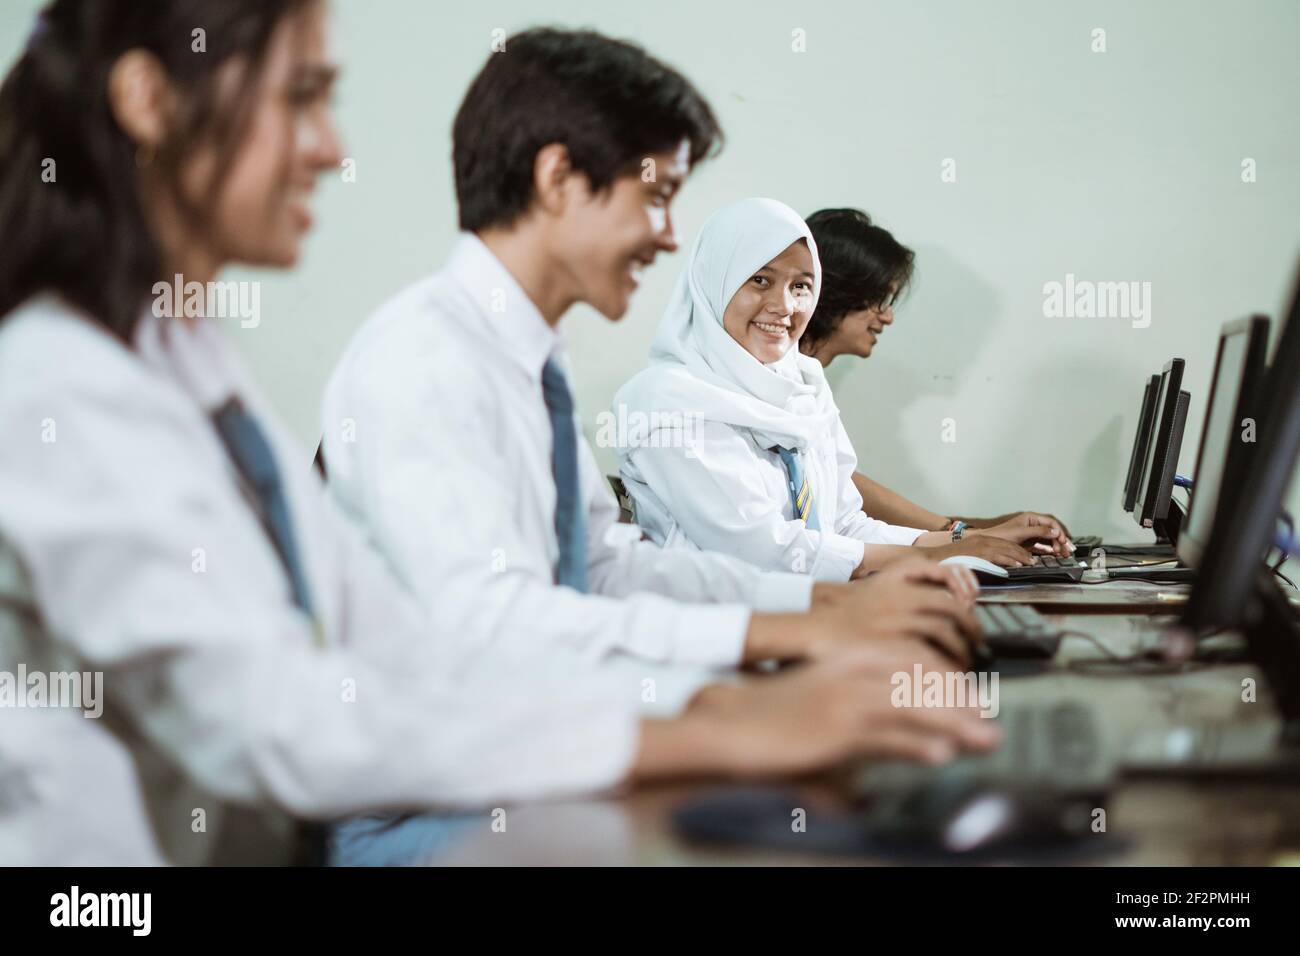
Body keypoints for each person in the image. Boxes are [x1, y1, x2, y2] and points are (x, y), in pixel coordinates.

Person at [0, 4, 996, 866]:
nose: (329, 146)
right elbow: (306, 716)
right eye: (301, 97)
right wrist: (728, 711)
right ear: (146, 98)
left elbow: (482, 614)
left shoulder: (194, 365)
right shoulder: (77, 385)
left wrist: (793, 637)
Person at [321, 29, 983, 678]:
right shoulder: (429, 361)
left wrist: (826, 605)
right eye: (658, 196)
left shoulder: (529, 358)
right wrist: (746, 699)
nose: (670, 238)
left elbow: (608, 569)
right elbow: (495, 633)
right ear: (558, 179)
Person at [614, 198, 1067, 581]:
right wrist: (938, 554)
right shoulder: (667, 401)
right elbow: (760, 550)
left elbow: (844, 525)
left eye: (801, 286)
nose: (784, 306)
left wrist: (966, 541)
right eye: (760, 280)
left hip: (808, 616)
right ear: (714, 282)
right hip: (717, 641)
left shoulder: (802, 388)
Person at [800, 208, 1075, 557]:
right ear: (837, 291)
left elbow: (842, 491)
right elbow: (843, 491)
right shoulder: (781, 380)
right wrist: (962, 532)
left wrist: (965, 532)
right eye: (879, 300)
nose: (887, 316)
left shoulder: (810, 384)